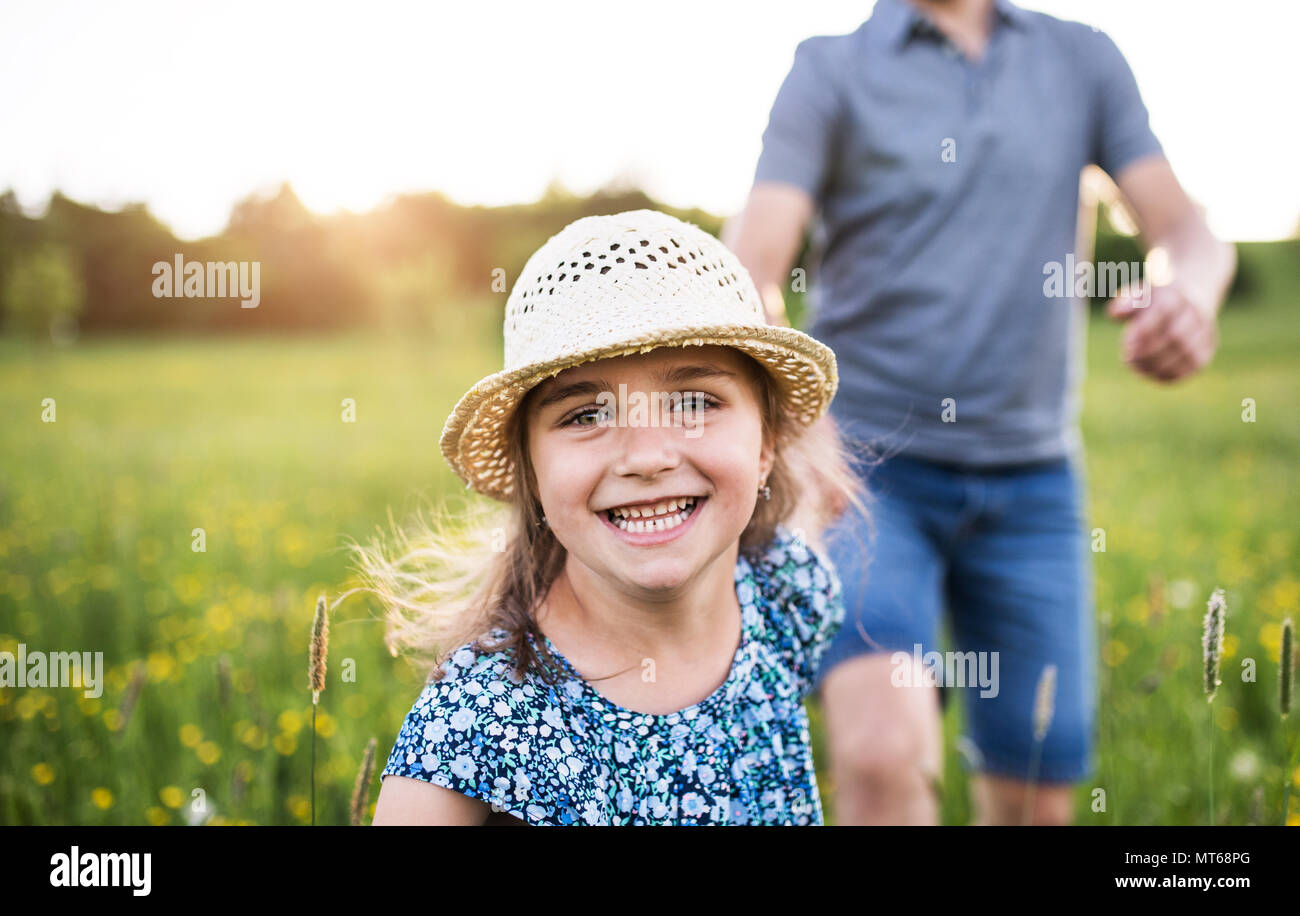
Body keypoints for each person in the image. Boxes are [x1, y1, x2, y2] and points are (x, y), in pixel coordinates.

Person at [726, 0, 1235, 825]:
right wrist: (781, 394)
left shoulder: (1082, 58)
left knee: (1034, 794)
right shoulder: (830, 68)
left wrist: (1190, 292)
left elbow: (1186, 228)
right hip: (864, 472)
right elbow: (752, 266)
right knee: (884, 755)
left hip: (1032, 482)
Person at [362, 208, 869, 825]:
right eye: (584, 415)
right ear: (532, 471)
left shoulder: (788, 593)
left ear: (765, 446)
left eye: (693, 402)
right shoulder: (481, 719)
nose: (646, 457)